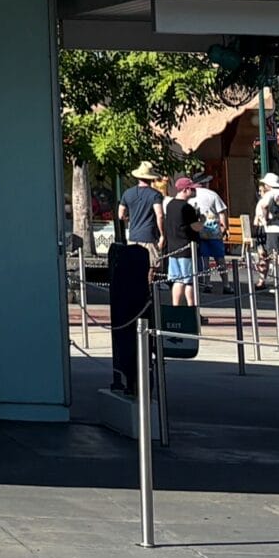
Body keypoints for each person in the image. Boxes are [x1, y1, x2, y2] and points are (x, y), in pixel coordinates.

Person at [110, 162, 165, 394]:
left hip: (133, 235)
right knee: (150, 270)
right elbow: (159, 215)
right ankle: (146, 302)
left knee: (132, 271)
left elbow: (121, 214)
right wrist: (161, 235)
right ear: (151, 178)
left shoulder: (127, 193)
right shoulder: (155, 194)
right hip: (148, 237)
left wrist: (130, 223)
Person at [161, 178, 202, 313]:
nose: (194, 191)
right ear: (185, 190)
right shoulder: (187, 207)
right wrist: (203, 220)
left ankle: (176, 309)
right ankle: (192, 310)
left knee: (177, 280)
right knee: (189, 281)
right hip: (186, 247)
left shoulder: (170, 205)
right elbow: (196, 227)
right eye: (192, 189)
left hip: (173, 247)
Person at [189, 173, 230, 288]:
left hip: (198, 231)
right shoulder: (212, 195)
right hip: (214, 231)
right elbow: (222, 212)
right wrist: (224, 227)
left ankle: (207, 283)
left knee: (204, 259)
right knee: (219, 258)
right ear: (204, 183)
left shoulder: (191, 196)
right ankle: (226, 284)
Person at [255, 172, 279, 290]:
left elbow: (264, 206)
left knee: (274, 255)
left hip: (272, 228)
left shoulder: (270, 194)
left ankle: (277, 282)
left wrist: (265, 219)